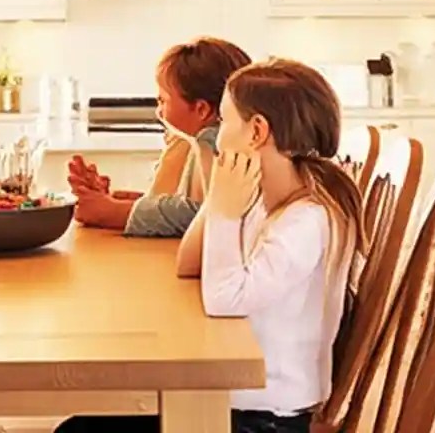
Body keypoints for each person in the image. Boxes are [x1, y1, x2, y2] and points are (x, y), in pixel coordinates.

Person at [56, 59, 364, 433]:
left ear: (256, 132)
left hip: (266, 419)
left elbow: (224, 300)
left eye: (223, 120)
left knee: (79, 431)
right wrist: (220, 196)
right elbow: (188, 262)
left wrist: (223, 212)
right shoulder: (263, 201)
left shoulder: (307, 220)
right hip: (242, 400)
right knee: (82, 426)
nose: (216, 136)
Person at [67, 37, 251, 237]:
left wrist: (114, 212)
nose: (158, 110)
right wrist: (125, 203)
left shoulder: (213, 142)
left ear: (201, 109)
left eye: (163, 100)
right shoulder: (207, 140)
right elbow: (191, 204)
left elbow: (203, 215)